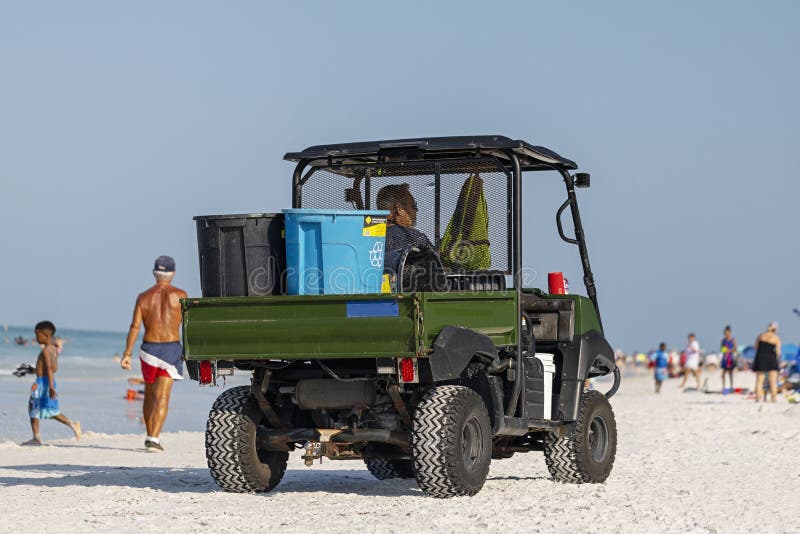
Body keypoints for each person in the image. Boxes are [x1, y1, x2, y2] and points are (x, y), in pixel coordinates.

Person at [120, 256, 187, 452]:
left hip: (149, 349)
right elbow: (187, 325)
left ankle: (149, 435)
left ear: (154, 273)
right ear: (172, 273)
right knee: (163, 396)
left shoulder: (143, 297)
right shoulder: (181, 295)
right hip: (170, 348)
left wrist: (127, 353)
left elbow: (135, 327)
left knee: (149, 394)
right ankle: (154, 438)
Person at [23, 321, 81, 445]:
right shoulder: (53, 349)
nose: (36, 338)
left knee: (34, 408)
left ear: (46, 336)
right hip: (48, 382)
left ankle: (36, 438)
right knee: (48, 410)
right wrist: (33, 370)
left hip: (43, 383)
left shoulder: (45, 351)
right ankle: (72, 424)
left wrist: (49, 387)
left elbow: (49, 368)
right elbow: (53, 368)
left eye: (38, 335)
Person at [376, 183, 433, 277]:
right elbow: (437, 266)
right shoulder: (416, 237)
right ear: (399, 209)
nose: (416, 210)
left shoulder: (367, 236)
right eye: (414, 205)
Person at [752, 322, 781, 403]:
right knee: (773, 380)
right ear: (775, 329)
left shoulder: (760, 336)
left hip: (761, 358)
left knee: (759, 380)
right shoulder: (776, 338)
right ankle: (773, 398)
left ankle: (758, 398)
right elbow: (778, 352)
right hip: (771, 358)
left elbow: (756, 347)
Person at [719, 325, 738, 394]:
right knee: (723, 374)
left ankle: (731, 386)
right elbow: (721, 349)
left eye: (727, 333)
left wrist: (729, 350)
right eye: (725, 333)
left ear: (730, 332)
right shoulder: (723, 340)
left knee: (730, 373)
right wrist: (725, 350)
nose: (726, 334)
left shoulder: (733, 340)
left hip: (730, 358)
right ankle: (723, 387)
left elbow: (736, 349)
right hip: (724, 358)